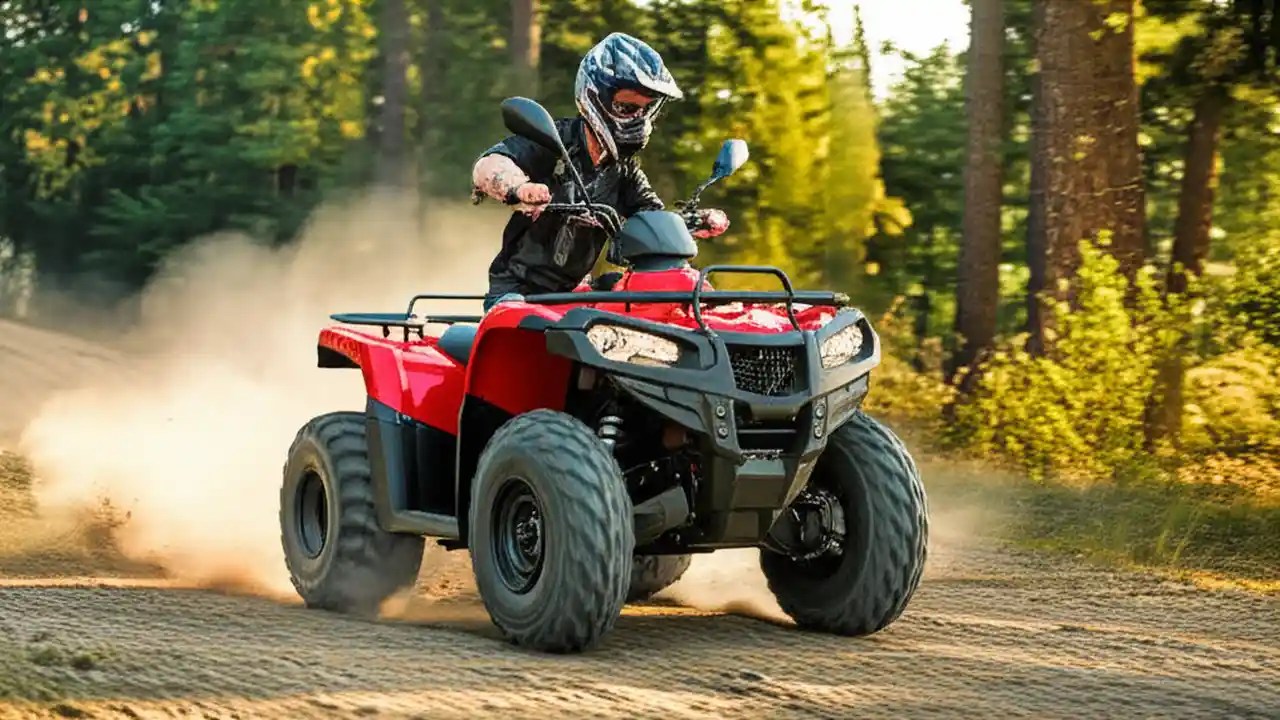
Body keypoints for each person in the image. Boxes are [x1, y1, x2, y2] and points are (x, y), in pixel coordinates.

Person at [471, 32, 730, 311]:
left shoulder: (625, 171)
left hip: (575, 293)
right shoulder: (553, 140)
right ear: (596, 98)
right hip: (519, 294)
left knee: (646, 296)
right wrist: (518, 188)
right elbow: (489, 164)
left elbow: (651, 218)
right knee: (518, 324)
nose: (638, 118)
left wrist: (686, 223)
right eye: (627, 107)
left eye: (645, 109)